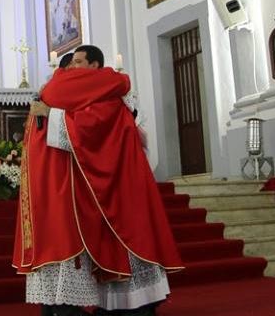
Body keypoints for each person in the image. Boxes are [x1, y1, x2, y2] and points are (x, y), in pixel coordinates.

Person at [16, 45, 182, 315]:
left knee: (133, 241)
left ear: (95, 65)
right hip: (110, 178)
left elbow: (90, 127)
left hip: (123, 181)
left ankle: (139, 305)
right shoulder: (100, 91)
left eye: (79, 61)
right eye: (71, 64)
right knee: (118, 247)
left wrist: (51, 114)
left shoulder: (107, 91)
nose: (72, 67)